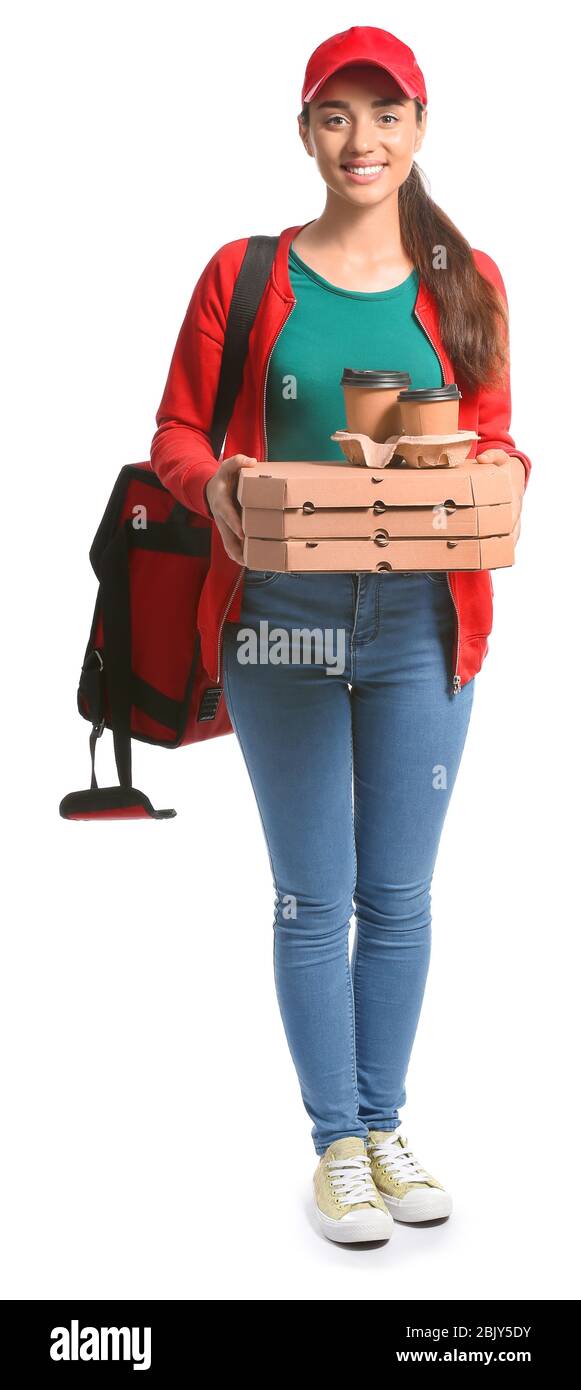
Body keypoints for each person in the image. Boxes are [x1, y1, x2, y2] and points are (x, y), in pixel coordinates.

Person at [151, 25, 531, 1245]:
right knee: (313, 898)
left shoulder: (465, 281)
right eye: (334, 115)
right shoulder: (244, 274)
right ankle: (337, 1147)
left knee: (401, 892)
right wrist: (217, 486)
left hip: (424, 618)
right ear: (305, 129)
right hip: (282, 622)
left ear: (418, 128)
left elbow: (493, 436)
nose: (359, 141)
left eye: (384, 114)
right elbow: (175, 437)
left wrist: (500, 477)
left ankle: (384, 1120)